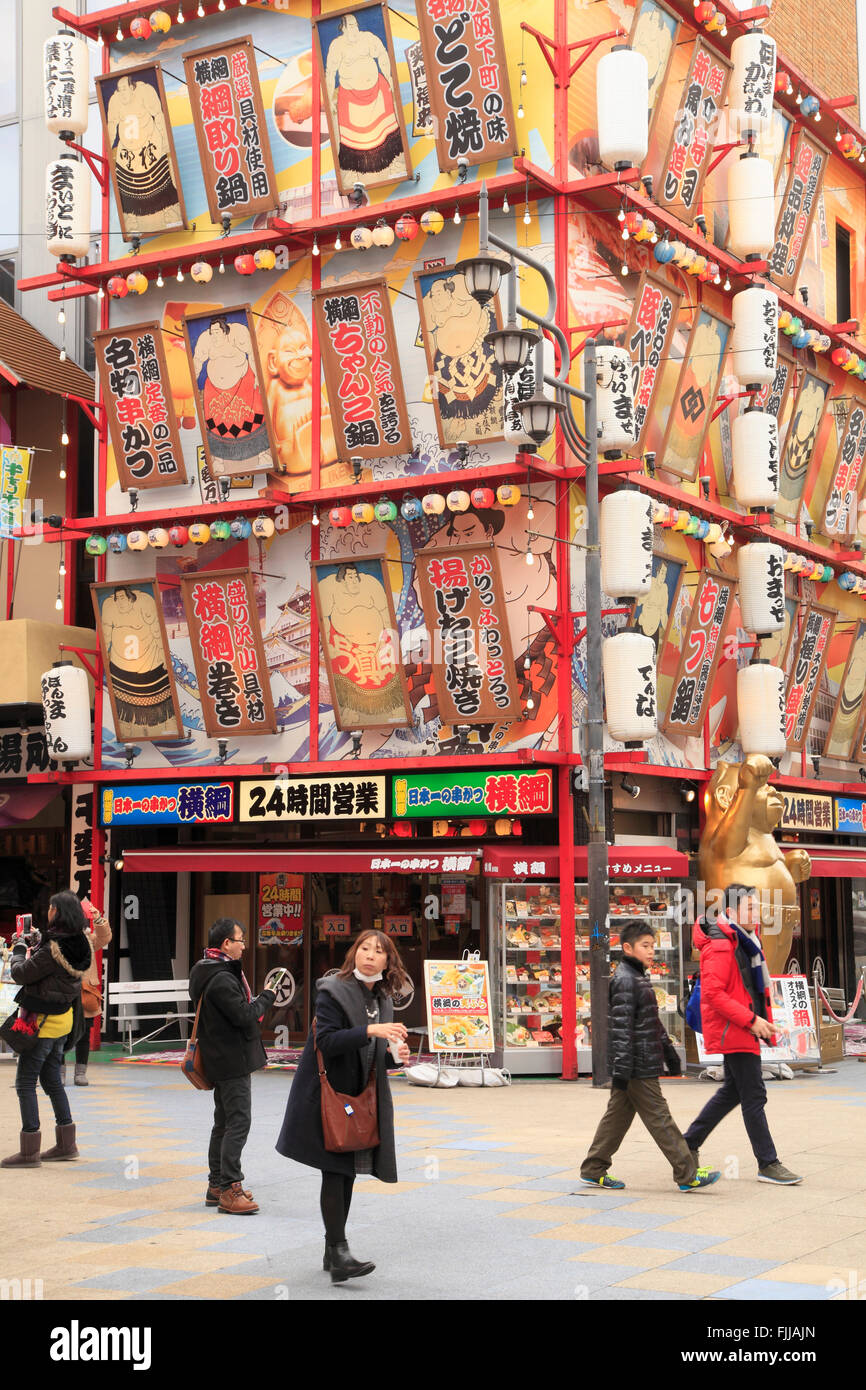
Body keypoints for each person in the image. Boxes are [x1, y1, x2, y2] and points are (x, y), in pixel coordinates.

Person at [276, 929, 411, 1283]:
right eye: (364, 948)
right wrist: (372, 1031)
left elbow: (374, 1053)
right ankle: (339, 1252)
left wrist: (396, 1057)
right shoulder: (332, 991)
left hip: (355, 1099)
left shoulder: (382, 998)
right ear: (354, 954)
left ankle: (332, 1249)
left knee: (347, 1172)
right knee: (336, 1171)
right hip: (325, 1096)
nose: (370, 955)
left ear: (388, 961)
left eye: (378, 951)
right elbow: (328, 1040)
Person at [580, 920, 721, 1193]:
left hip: (637, 1060)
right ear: (627, 948)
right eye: (645, 946)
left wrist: (670, 1053)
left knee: (617, 1118)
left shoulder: (636, 977)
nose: (651, 951)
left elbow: (651, 1023)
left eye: (653, 945)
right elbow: (620, 1028)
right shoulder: (625, 980)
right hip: (636, 1063)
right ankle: (687, 1173)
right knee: (659, 1116)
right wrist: (622, 1069)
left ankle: (593, 1169)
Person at [683, 884, 803, 1185]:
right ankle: (768, 1163)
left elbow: (747, 987)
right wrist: (752, 1021)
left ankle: (686, 1145)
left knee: (732, 1092)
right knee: (753, 1094)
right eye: (749, 908)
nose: (755, 913)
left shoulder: (745, 938)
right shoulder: (723, 943)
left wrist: (761, 1020)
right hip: (733, 1028)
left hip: (742, 1025)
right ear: (731, 911)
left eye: (756, 907)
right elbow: (714, 994)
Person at [188, 919, 276, 1215]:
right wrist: (267, 997)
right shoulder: (223, 978)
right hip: (231, 1059)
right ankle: (229, 1188)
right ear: (226, 943)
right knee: (238, 1122)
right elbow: (244, 1015)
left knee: (224, 1123)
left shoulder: (208, 970)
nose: (244, 945)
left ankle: (216, 1185)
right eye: (240, 939)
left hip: (219, 1057)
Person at [2, 891, 93, 1167]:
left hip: (41, 1022)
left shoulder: (53, 947)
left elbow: (21, 973)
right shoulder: (79, 943)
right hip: (63, 1021)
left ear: (58, 912)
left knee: (25, 1082)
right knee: (52, 1081)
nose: (49, 911)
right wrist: (38, 941)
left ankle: (29, 1149)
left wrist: (19, 949)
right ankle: (66, 1144)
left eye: (52, 907)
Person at [62, 901, 112, 1087]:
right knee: (61, 1033)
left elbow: (105, 937)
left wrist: (98, 918)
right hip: (65, 992)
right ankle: (60, 1072)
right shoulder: (58, 940)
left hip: (85, 993)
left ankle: (80, 1073)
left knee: (83, 1035)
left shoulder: (89, 940)